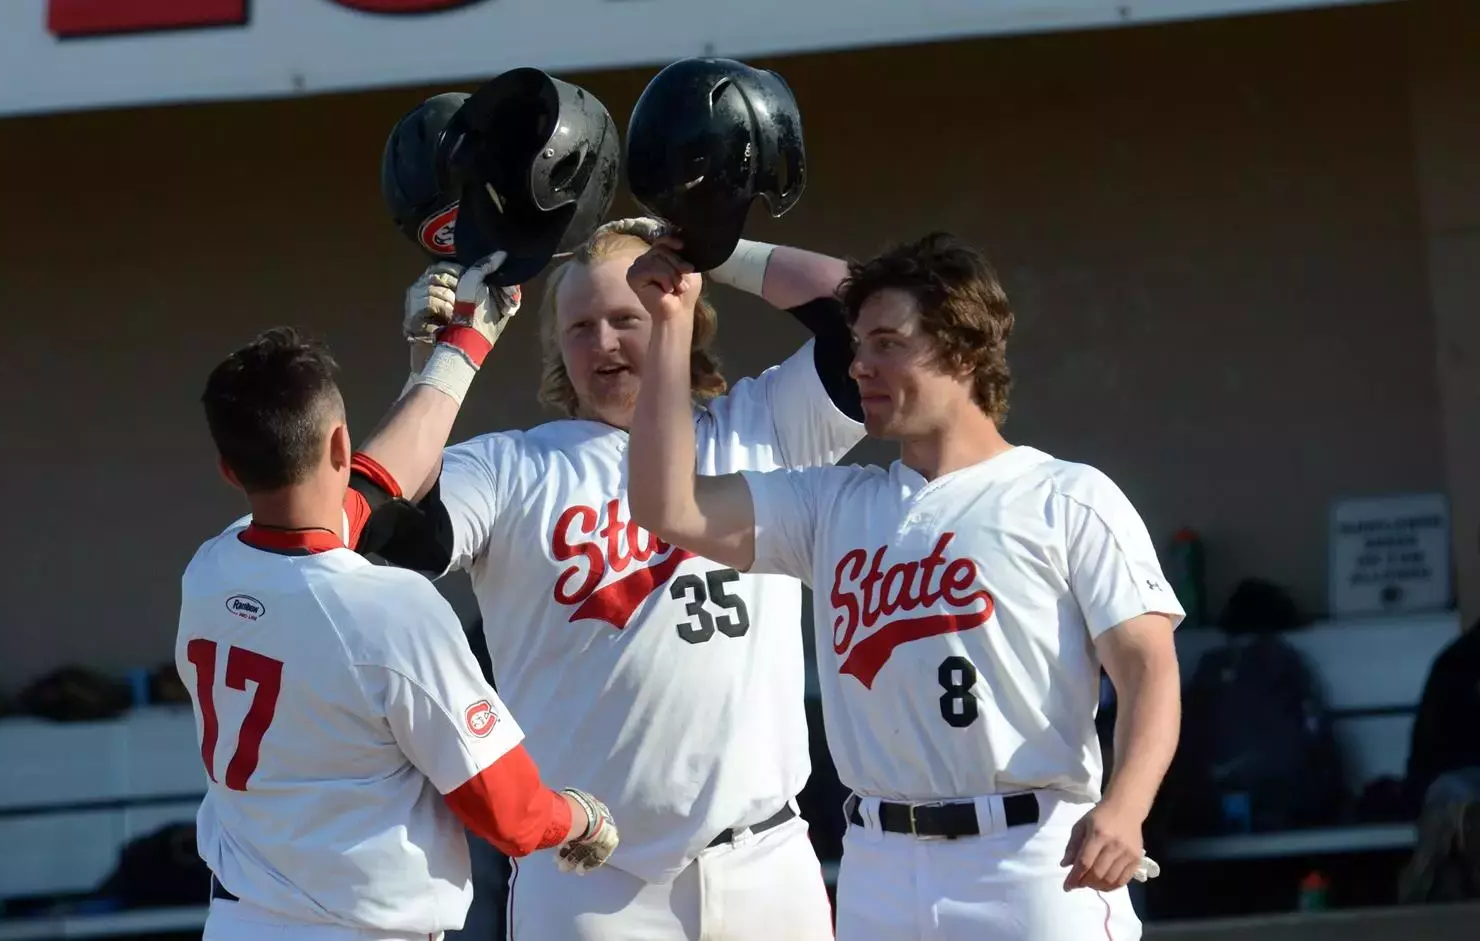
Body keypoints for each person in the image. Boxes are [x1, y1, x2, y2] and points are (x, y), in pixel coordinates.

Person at [625, 231, 1183, 941]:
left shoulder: (1065, 495)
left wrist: (1127, 805)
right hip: (877, 865)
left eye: (888, 342)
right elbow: (666, 506)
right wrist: (673, 323)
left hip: (1034, 856)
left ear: (965, 351)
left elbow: (1147, 666)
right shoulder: (833, 504)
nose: (860, 363)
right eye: (859, 342)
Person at [344, 217, 866, 941]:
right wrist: (435, 362)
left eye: (628, 316)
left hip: (763, 862)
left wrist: (718, 248)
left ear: (677, 307)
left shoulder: (762, 425)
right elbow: (385, 525)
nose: (604, 343)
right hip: (590, 878)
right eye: (580, 327)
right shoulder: (513, 468)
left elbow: (862, 311)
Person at [178, 327, 618, 941]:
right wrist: (582, 819)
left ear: (229, 470)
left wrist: (459, 352)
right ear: (339, 440)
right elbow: (511, 815)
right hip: (359, 930)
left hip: (238, 922)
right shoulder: (391, 609)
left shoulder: (211, 566)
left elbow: (366, 490)